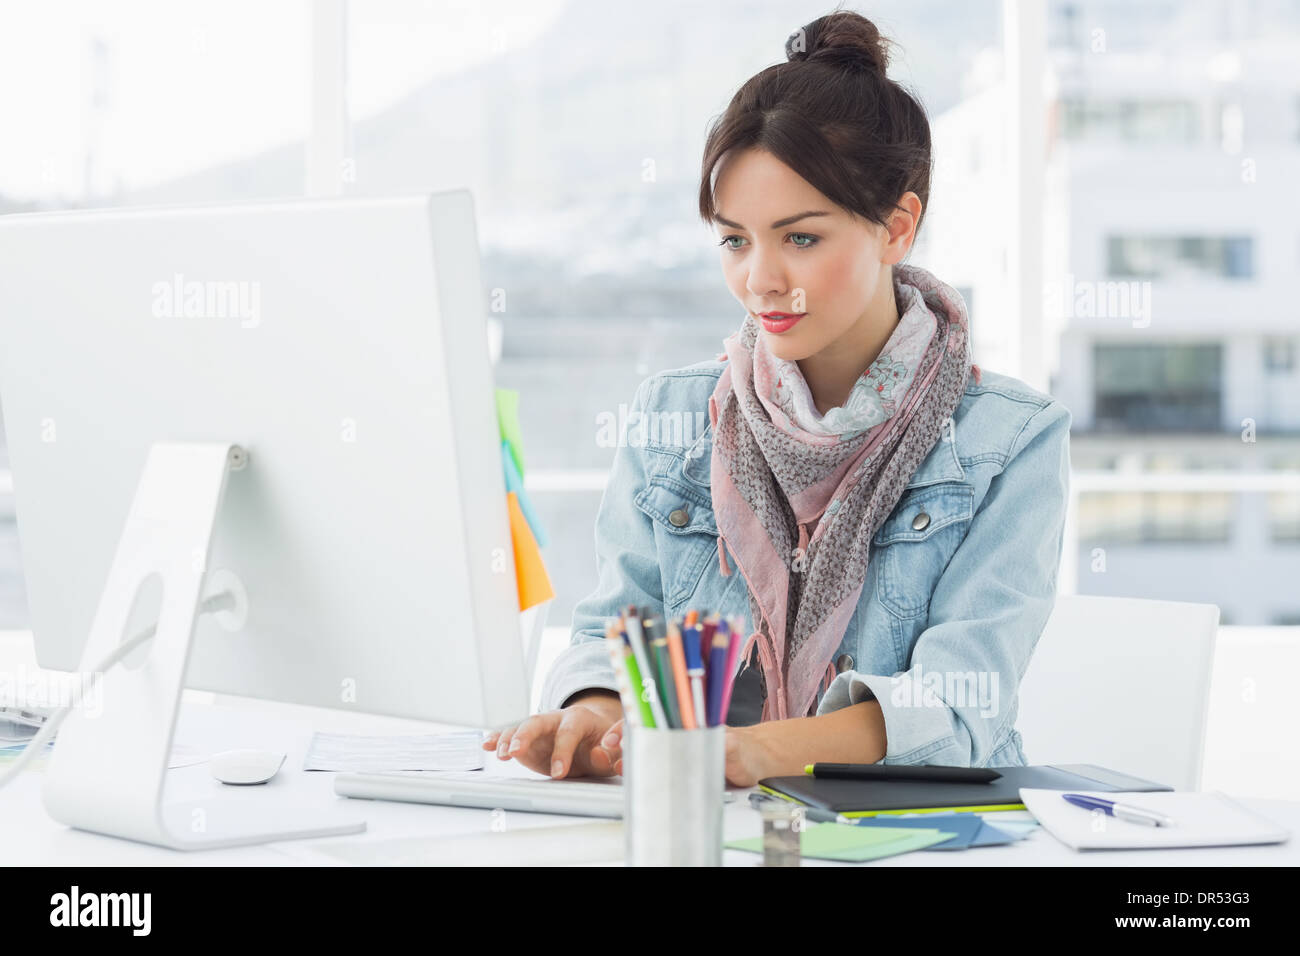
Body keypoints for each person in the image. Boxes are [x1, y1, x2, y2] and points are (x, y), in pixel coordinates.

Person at [483, 8, 1071, 786]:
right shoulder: (671, 418)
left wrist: (759, 751)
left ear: (897, 227)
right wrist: (591, 715)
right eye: (735, 239)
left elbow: (961, 704)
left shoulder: (1009, 440)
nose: (759, 280)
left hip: (922, 832)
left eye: (800, 238)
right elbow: (617, 631)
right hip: (710, 827)